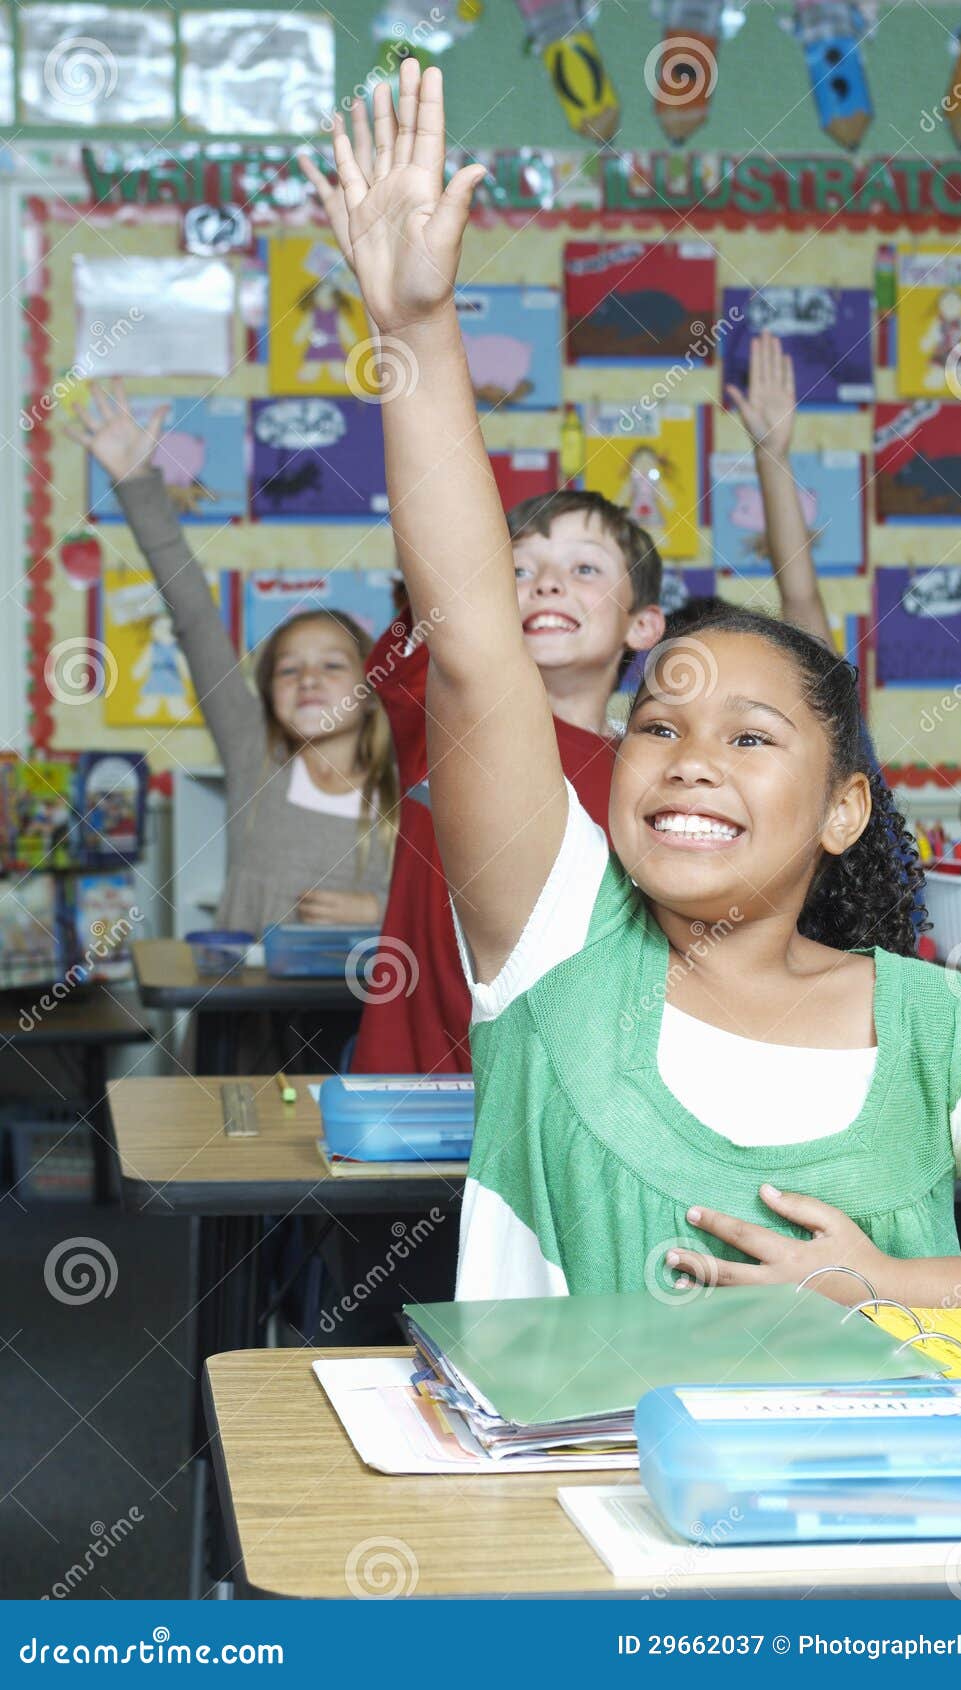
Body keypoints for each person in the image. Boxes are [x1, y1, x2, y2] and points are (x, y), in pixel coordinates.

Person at [318, 61, 961, 1307]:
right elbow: (470, 640)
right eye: (657, 722)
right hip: (552, 1501)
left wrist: (888, 1284)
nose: (689, 753)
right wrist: (413, 328)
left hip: (864, 1506)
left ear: (843, 808)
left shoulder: (946, 1026)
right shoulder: (554, 941)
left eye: (750, 737)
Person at [304, 161, 832, 1078]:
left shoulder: (654, 771)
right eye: (518, 571)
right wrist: (409, 327)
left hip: (579, 1106)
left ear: (641, 626)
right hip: (422, 1108)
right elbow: (441, 550)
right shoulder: (443, 706)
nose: (545, 586)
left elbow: (812, 669)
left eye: (583, 570)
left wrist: (774, 463)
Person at [72, 384, 397, 950]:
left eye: (331, 665)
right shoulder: (256, 754)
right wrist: (137, 484)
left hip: (363, 1023)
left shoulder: (407, 786)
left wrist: (380, 910)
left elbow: (462, 905)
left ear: (371, 688)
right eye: (288, 671)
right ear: (268, 693)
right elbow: (195, 617)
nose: (309, 679)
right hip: (249, 1024)